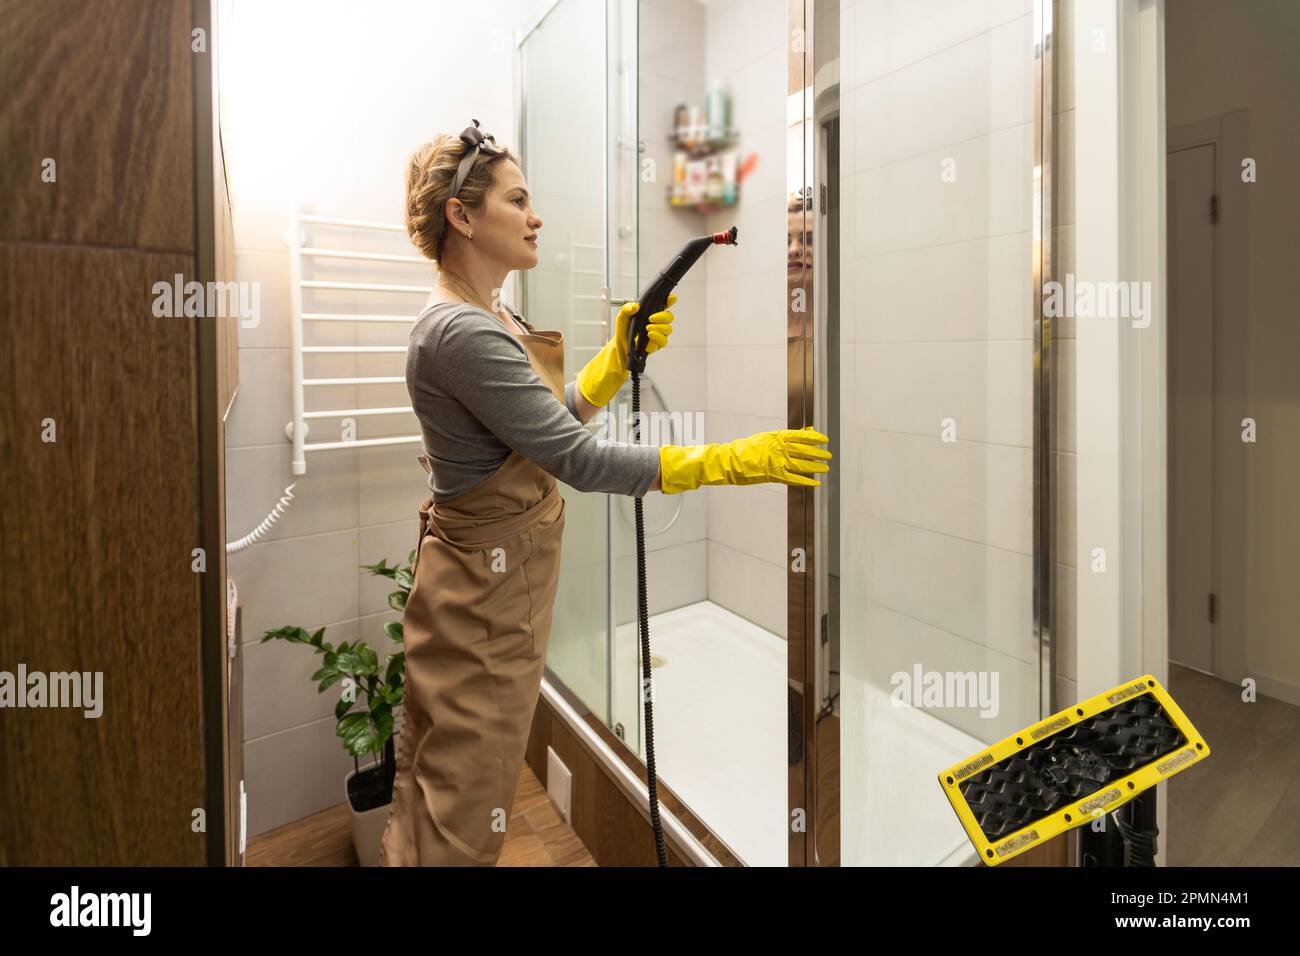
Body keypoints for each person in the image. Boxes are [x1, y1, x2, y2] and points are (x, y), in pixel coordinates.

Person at [378, 119, 832, 866]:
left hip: (502, 591)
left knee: (456, 789)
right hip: (480, 607)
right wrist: (726, 461)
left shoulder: (491, 316)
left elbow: (544, 432)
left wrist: (614, 363)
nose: (536, 216)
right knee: (457, 811)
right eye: (518, 200)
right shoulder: (458, 331)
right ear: (462, 216)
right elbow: (577, 460)